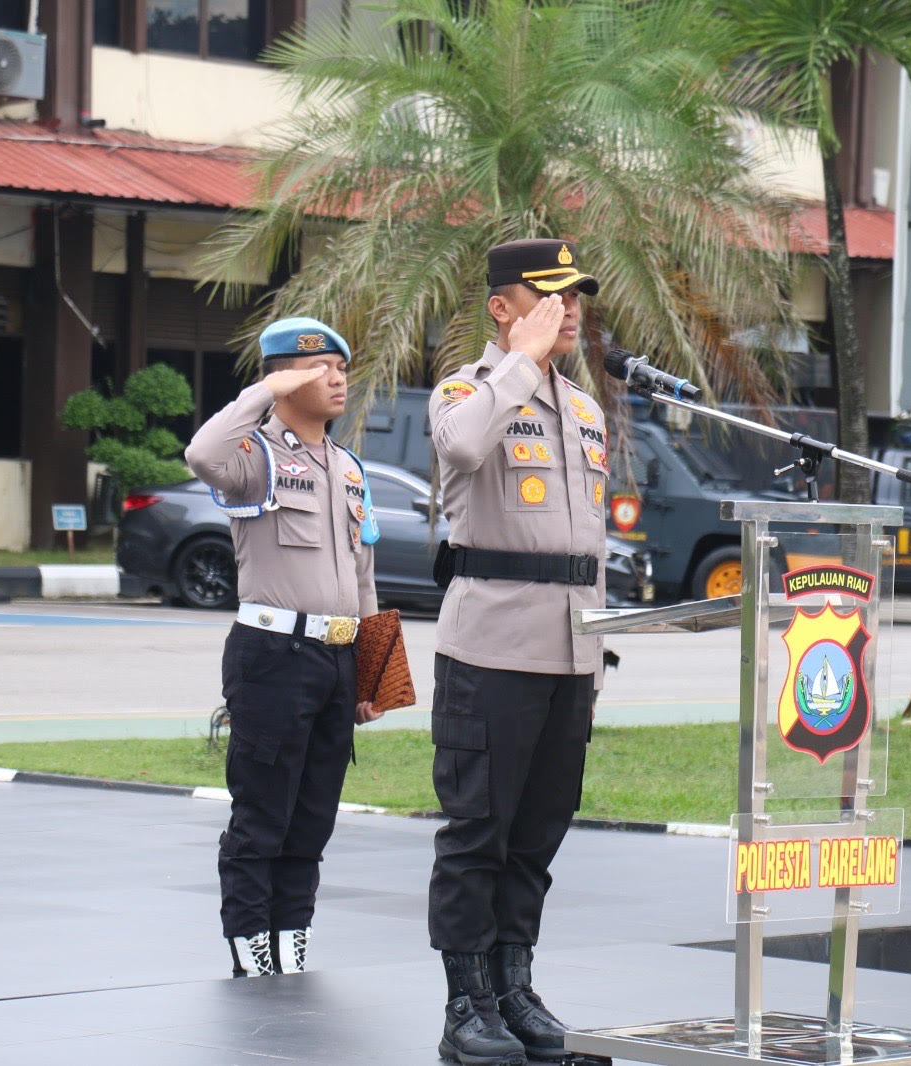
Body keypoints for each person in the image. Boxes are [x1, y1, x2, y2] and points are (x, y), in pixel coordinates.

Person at [426, 238, 608, 1066]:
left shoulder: (583, 408)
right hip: (492, 650)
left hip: (570, 653)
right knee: (479, 833)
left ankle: (511, 985)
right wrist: (520, 364)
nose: (568, 310)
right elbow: (462, 447)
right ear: (503, 308)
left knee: (538, 831)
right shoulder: (467, 389)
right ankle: (465, 1002)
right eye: (550, 296)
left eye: (575, 298)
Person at [185, 316, 383, 979]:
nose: (336, 380)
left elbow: (364, 578)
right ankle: (251, 946)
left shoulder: (348, 468)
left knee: (313, 817)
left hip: (336, 657)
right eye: (319, 369)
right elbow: (203, 454)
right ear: (282, 376)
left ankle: (292, 936)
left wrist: (375, 678)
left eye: (341, 369)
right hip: (272, 658)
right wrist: (266, 392)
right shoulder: (257, 458)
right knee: (263, 813)